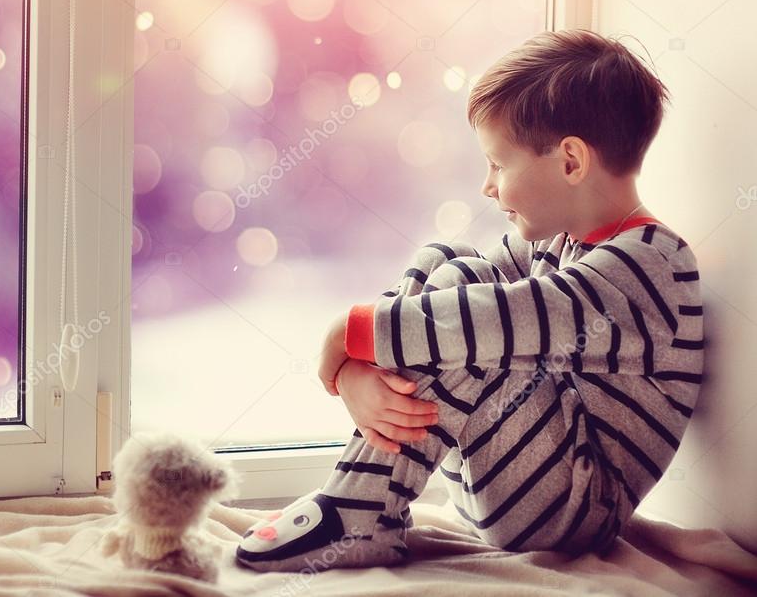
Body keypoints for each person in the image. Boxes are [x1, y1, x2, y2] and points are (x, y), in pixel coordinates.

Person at [235, 29, 704, 573]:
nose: (488, 186)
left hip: (571, 508)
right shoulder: (561, 243)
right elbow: (460, 288)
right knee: (451, 259)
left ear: (571, 162)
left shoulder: (650, 265)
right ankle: (364, 492)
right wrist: (360, 370)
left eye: (499, 165)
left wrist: (348, 333)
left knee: (477, 315)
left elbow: (494, 320)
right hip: (519, 478)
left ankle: (362, 509)